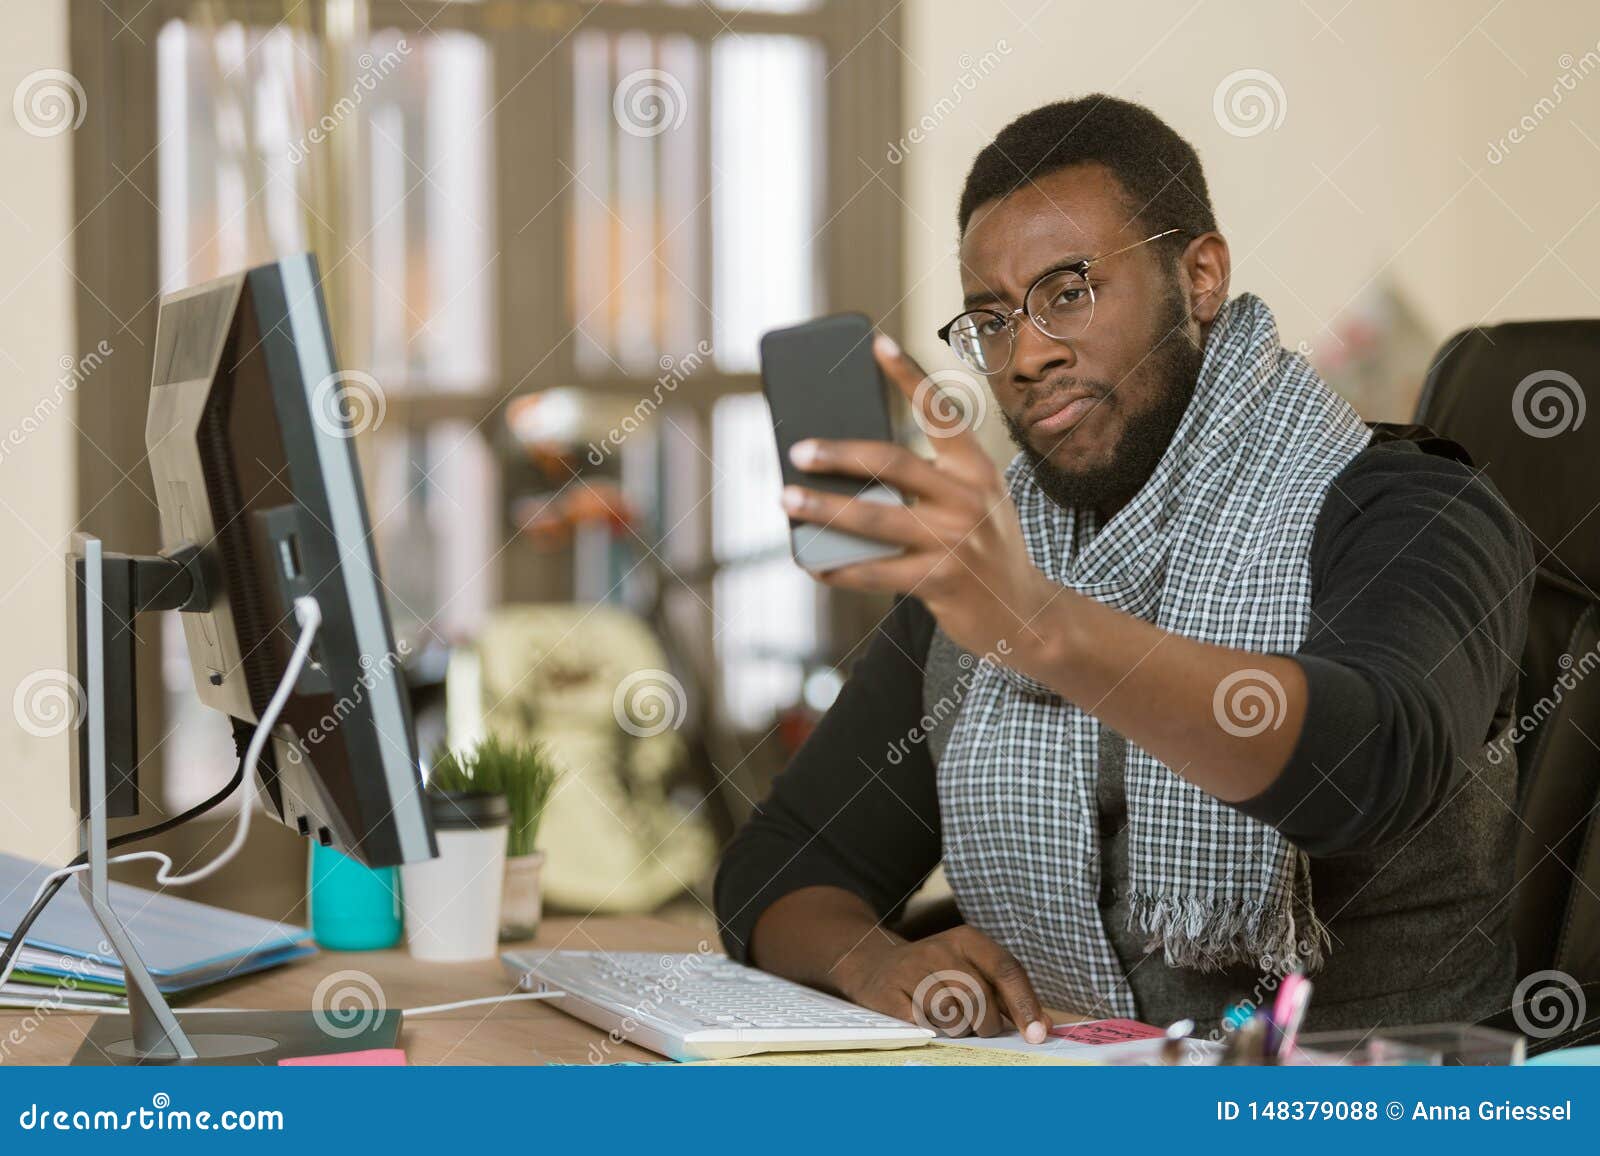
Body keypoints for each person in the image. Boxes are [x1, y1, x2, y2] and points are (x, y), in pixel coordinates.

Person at [714, 95, 1534, 1039]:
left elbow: (1371, 762)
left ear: (1199, 277)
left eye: (1070, 291)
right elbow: (779, 863)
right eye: (990, 320)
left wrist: (1040, 626)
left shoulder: (1417, 509)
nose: (1025, 354)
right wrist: (876, 961)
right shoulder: (991, 557)